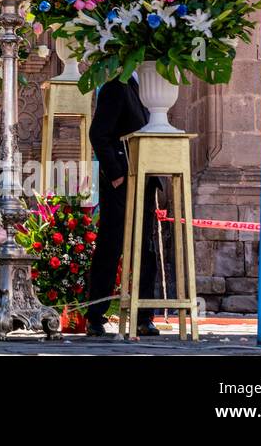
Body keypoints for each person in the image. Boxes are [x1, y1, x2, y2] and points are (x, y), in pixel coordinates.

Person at [84, 74, 160, 337]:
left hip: (143, 178)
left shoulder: (144, 88)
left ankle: (144, 316)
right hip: (122, 181)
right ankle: (95, 314)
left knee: (144, 248)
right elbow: (98, 134)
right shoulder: (116, 87)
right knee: (111, 245)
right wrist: (116, 174)